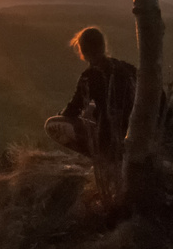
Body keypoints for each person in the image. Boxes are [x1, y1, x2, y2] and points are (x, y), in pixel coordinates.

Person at [44, 26, 137, 163]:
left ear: (82, 50)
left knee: (52, 124)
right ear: (103, 46)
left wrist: (60, 114)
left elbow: (72, 110)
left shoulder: (90, 75)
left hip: (111, 138)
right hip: (135, 133)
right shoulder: (127, 68)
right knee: (91, 111)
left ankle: (100, 158)